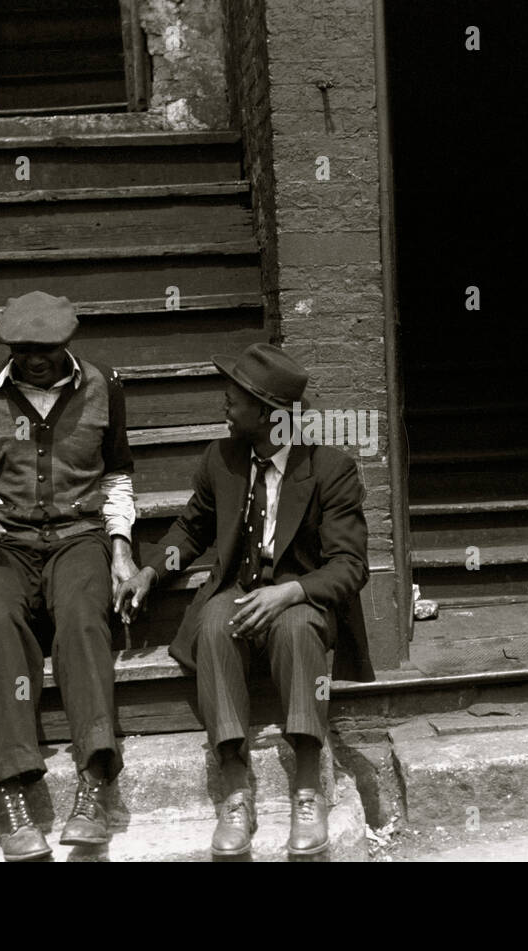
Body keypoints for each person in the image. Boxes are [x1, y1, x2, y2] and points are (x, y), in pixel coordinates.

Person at [116, 343, 374, 858]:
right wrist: (150, 571)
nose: (224, 408)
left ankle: (307, 788)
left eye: (233, 400)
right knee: (213, 624)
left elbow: (351, 567)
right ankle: (235, 789)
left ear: (266, 412)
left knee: (297, 628)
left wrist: (290, 592)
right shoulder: (223, 458)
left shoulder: (329, 468)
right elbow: (191, 531)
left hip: (299, 591)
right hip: (238, 589)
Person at [0, 291, 138, 861]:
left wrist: (122, 549)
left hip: (78, 537)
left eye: (47, 350)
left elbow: (117, 478)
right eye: (23, 349)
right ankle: (9, 790)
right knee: (0, 624)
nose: (35, 360)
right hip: (3, 540)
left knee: (83, 619)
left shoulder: (103, 386)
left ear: (67, 344)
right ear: (9, 348)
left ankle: (94, 784)